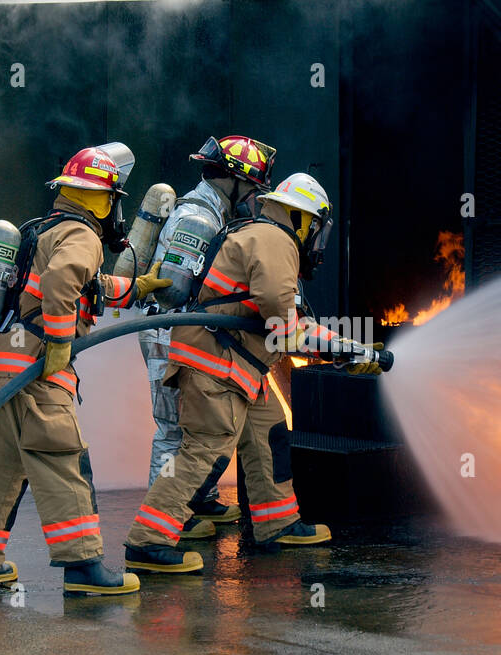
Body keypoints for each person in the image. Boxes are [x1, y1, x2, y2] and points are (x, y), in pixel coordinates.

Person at [0, 146, 171, 595]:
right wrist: (57, 342)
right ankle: (83, 567)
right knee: (63, 461)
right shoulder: (82, 234)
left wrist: (136, 288)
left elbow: (85, 287)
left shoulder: (41, 229)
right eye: (113, 198)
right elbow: (60, 283)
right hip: (37, 372)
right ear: (102, 199)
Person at [124, 172, 344, 574]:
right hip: (216, 366)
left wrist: (342, 348)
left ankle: (276, 523)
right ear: (301, 218)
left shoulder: (260, 233)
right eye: (314, 226)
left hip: (238, 364)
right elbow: (285, 323)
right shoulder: (275, 239)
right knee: (202, 452)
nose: (315, 238)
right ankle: (148, 542)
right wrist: (343, 349)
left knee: (267, 432)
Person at [138, 134, 274, 536]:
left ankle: (198, 498)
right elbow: (176, 291)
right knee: (173, 429)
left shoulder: (214, 214)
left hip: (184, 332)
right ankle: (165, 517)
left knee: (198, 425)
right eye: (251, 187)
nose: (253, 196)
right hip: (168, 331)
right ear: (232, 180)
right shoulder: (198, 219)